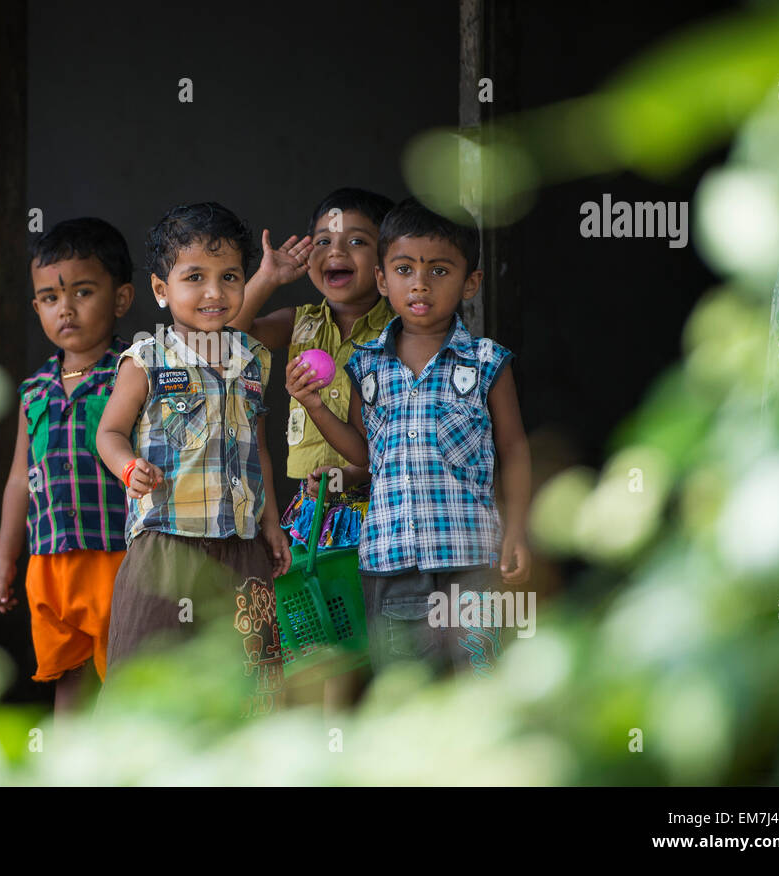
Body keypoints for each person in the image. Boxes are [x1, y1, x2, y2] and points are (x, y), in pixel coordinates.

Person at [286, 198, 532, 677]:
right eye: (404, 269)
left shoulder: (486, 362)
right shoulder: (366, 367)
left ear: (471, 282)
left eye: (440, 271)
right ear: (383, 280)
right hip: (391, 562)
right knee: (407, 693)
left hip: (472, 560)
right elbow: (366, 452)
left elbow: (515, 447)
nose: (420, 284)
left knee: (478, 686)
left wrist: (518, 528)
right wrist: (316, 407)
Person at [96, 201, 290, 716]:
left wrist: (271, 523)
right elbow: (110, 431)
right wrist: (128, 467)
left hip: (242, 549)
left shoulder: (253, 359)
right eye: (194, 277)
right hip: (165, 546)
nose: (214, 292)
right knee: (145, 683)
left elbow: (259, 450)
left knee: (252, 688)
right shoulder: (147, 359)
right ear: (162, 290)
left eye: (230, 277)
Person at [0, 217, 135, 714]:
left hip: (120, 555)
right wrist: (7, 558)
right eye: (49, 297)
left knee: (125, 679)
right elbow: (17, 481)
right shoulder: (34, 391)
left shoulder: (134, 374)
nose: (65, 308)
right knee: (67, 681)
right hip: (50, 563)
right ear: (36, 307)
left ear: (121, 299)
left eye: (82, 292)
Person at [231, 187, 395, 554]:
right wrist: (267, 277)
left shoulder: (399, 331)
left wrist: (355, 474)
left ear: (386, 259)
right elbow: (233, 334)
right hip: (314, 506)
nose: (336, 251)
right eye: (323, 241)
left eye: (355, 240)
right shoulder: (299, 322)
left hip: (384, 504)